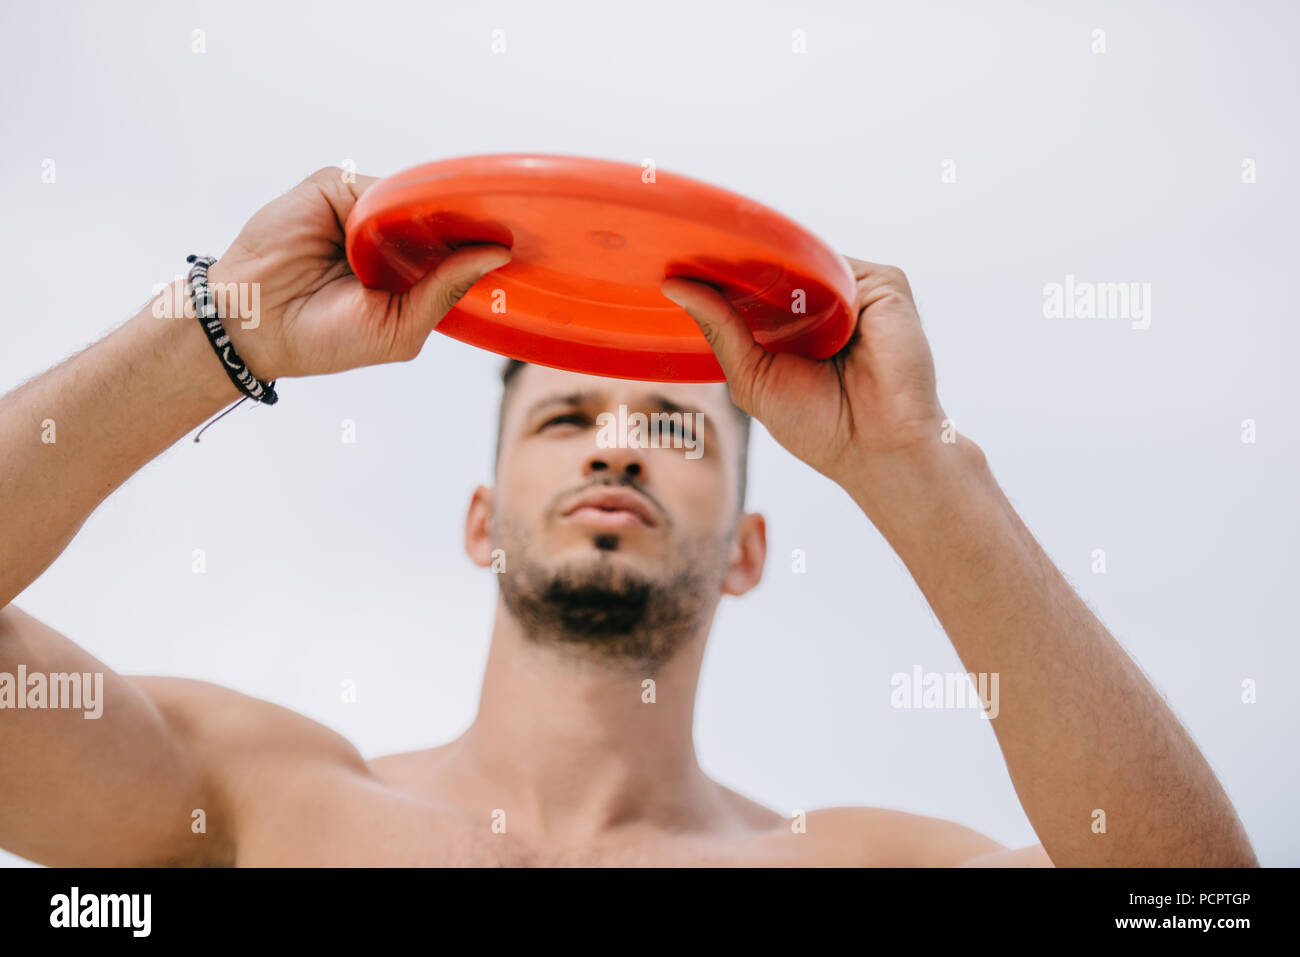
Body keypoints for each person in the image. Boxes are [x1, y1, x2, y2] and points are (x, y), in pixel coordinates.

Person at [0, 167, 1257, 867]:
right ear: (481, 522)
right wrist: (222, 330)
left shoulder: (861, 868)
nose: (617, 444)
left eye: (671, 426)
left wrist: (915, 469)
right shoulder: (256, 803)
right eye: (562, 420)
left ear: (750, 551)